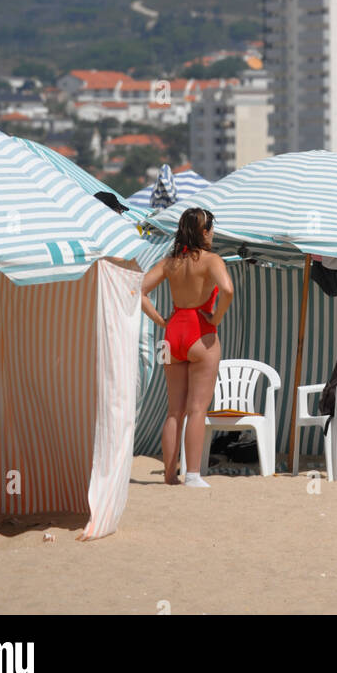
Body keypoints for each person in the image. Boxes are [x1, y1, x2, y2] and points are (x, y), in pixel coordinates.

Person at [141, 207, 234, 488]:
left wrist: (159, 319)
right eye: (212, 230)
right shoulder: (211, 260)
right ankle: (192, 474)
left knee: (173, 411)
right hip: (200, 331)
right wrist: (215, 318)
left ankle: (170, 476)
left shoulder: (170, 262)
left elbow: (138, 290)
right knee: (196, 409)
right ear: (204, 232)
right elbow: (227, 290)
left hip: (173, 333)